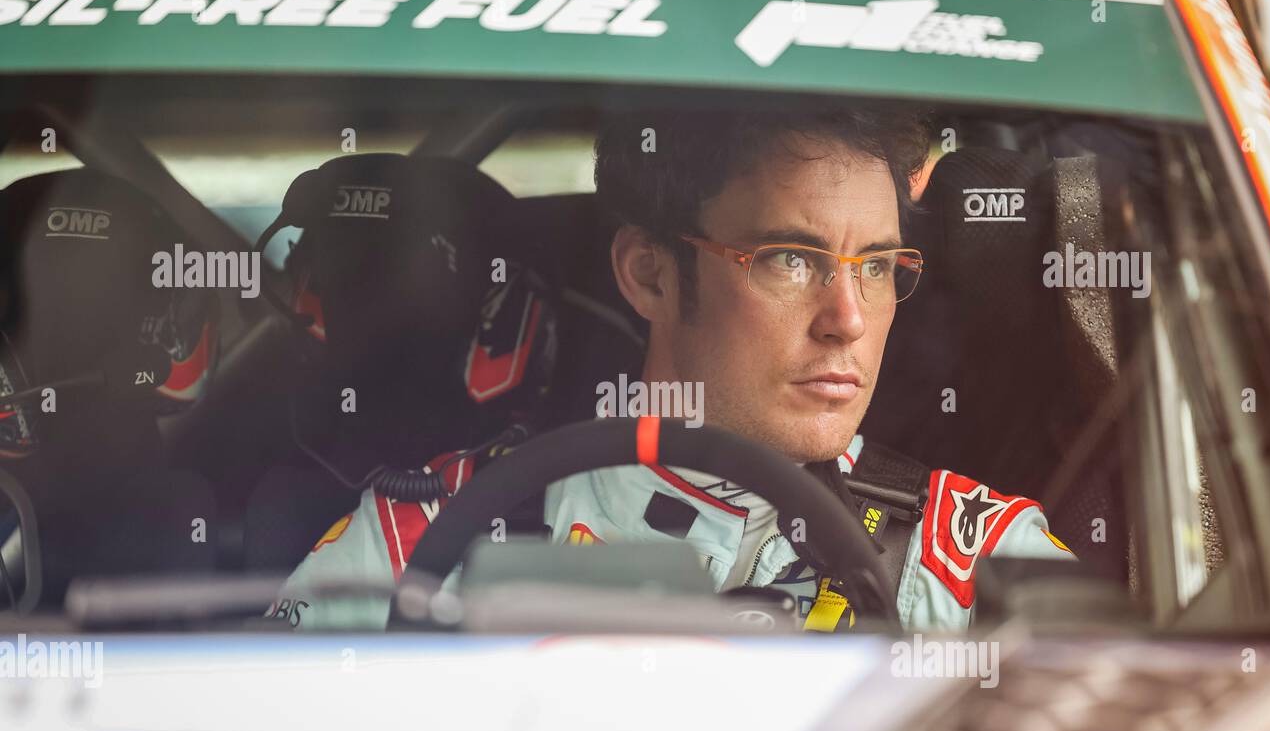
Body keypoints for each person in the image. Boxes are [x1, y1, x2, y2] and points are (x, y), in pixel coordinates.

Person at [269, 106, 1072, 632]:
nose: (849, 319)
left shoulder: (976, 560)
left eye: (877, 264)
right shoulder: (427, 534)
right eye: (792, 260)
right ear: (649, 275)